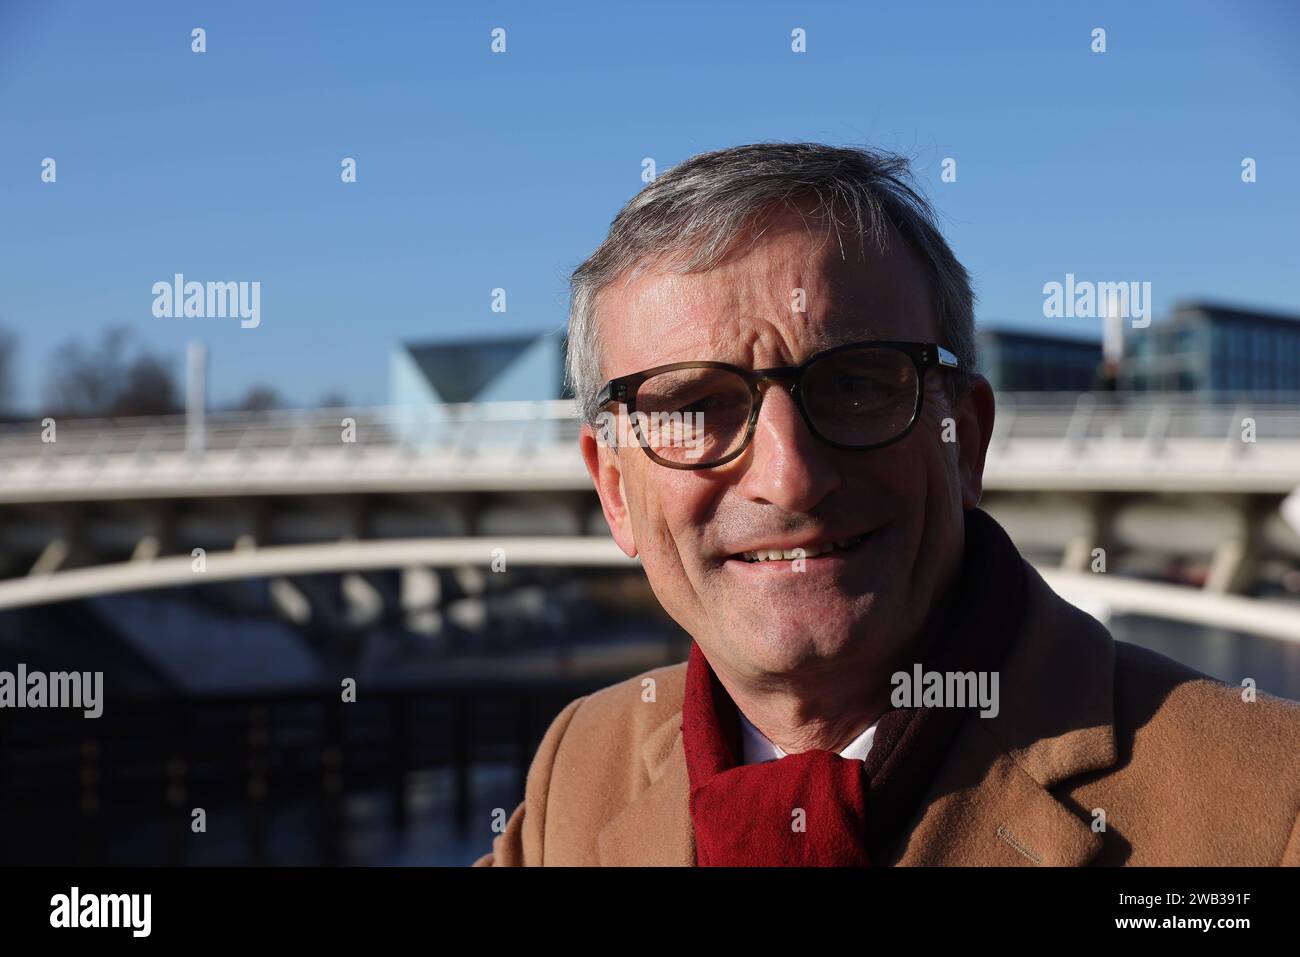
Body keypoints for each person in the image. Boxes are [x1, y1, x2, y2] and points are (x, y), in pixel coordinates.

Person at [474, 142, 1300, 866]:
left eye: (857, 385)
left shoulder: (1273, 805)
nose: (789, 478)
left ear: (966, 440)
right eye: (697, 407)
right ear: (615, 489)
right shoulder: (577, 769)